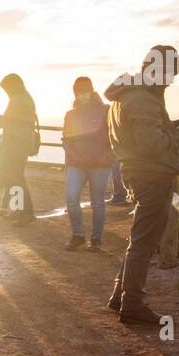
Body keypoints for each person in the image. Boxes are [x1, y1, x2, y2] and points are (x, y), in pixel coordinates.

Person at [105, 45, 179, 325]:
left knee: (139, 239)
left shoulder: (128, 95)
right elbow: (150, 144)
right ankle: (132, 305)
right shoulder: (142, 99)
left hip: (138, 174)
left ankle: (120, 296)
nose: (172, 80)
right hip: (152, 177)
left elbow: (144, 131)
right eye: (171, 72)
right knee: (144, 243)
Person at [61, 77, 113, 251]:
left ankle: (96, 240)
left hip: (100, 165)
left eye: (84, 92)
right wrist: (71, 157)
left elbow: (114, 135)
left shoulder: (106, 110)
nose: (81, 95)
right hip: (76, 163)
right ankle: (78, 236)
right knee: (71, 199)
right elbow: (65, 138)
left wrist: (108, 154)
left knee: (97, 203)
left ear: (91, 92)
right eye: (78, 92)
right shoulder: (71, 114)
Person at [0, 74, 39, 225]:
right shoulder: (24, 97)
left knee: (17, 179)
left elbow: (8, 121)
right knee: (15, 178)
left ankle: (26, 213)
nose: (6, 92)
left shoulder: (18, 99)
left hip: (16, 144)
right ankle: (19, 210)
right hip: (19, 143)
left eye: (6, 89)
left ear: (13, 86)